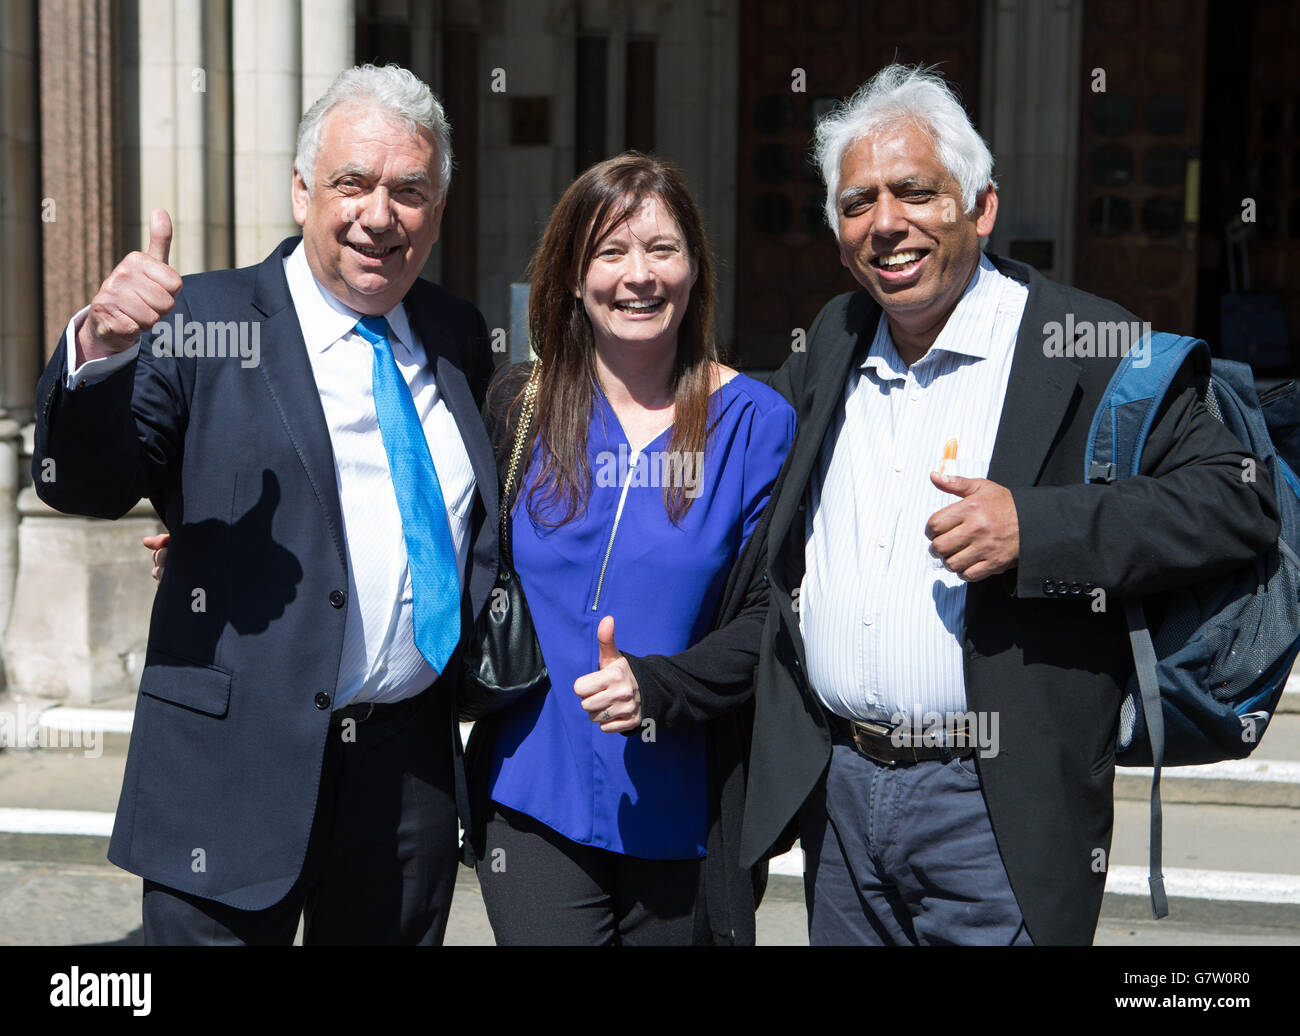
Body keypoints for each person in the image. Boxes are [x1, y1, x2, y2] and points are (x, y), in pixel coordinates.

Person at [583, 64, 1279, 945]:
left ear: (979, 208)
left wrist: (1040, 528)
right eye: (858, 203)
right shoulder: (832, 342)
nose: (887, 225)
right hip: (839, 799)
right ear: (839, 238)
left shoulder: (1082, 345)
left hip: (997, 807)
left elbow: (1237, 500)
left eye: (916, 192)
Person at [32, 64, 498, 945]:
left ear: (436, 210)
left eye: (409, 190)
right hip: (227, 774)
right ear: (300, 191)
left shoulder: (456, 334)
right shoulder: (201, 318)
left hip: (403, 778)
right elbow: (80, 485)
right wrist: (100, 347)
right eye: (351, 183)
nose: (378, 215)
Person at [461, 153, 795, 945]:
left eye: (662, 250)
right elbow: (434, 533)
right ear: (573, 277)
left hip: (687, 808)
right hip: (532, 795)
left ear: (695, 269)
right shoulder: (518, 405)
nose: (638, 276)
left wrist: (660, 685)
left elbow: (770, 620)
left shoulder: (757, 423)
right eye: (610, 252)